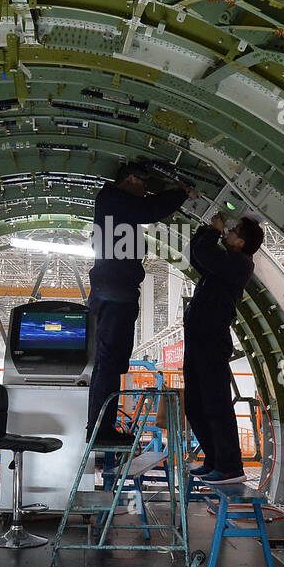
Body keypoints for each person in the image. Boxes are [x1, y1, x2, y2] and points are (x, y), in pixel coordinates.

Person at [87, 162, 194, 445]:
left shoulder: (115, 204)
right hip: (114, 292)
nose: (146, 192)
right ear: (131, 179)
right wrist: (181, 193)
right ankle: (100, 432)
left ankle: (101, 428)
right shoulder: (113, 198)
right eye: (144, 186)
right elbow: (150, 210)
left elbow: (145, 209)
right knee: (108, 364)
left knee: (111, 363)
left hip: (114, 291)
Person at [183, 213, 265, 484]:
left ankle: (230, 467)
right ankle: (214, 459)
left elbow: (206, 254)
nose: (228, 233)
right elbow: (197, 256)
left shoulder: (239, 264)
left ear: (241, 243)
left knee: (216, 404)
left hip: (211, 340)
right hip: (198, 339)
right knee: (195, 404)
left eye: (233, 232)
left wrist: (212, 231)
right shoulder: (224, 265)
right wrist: (207, 231)